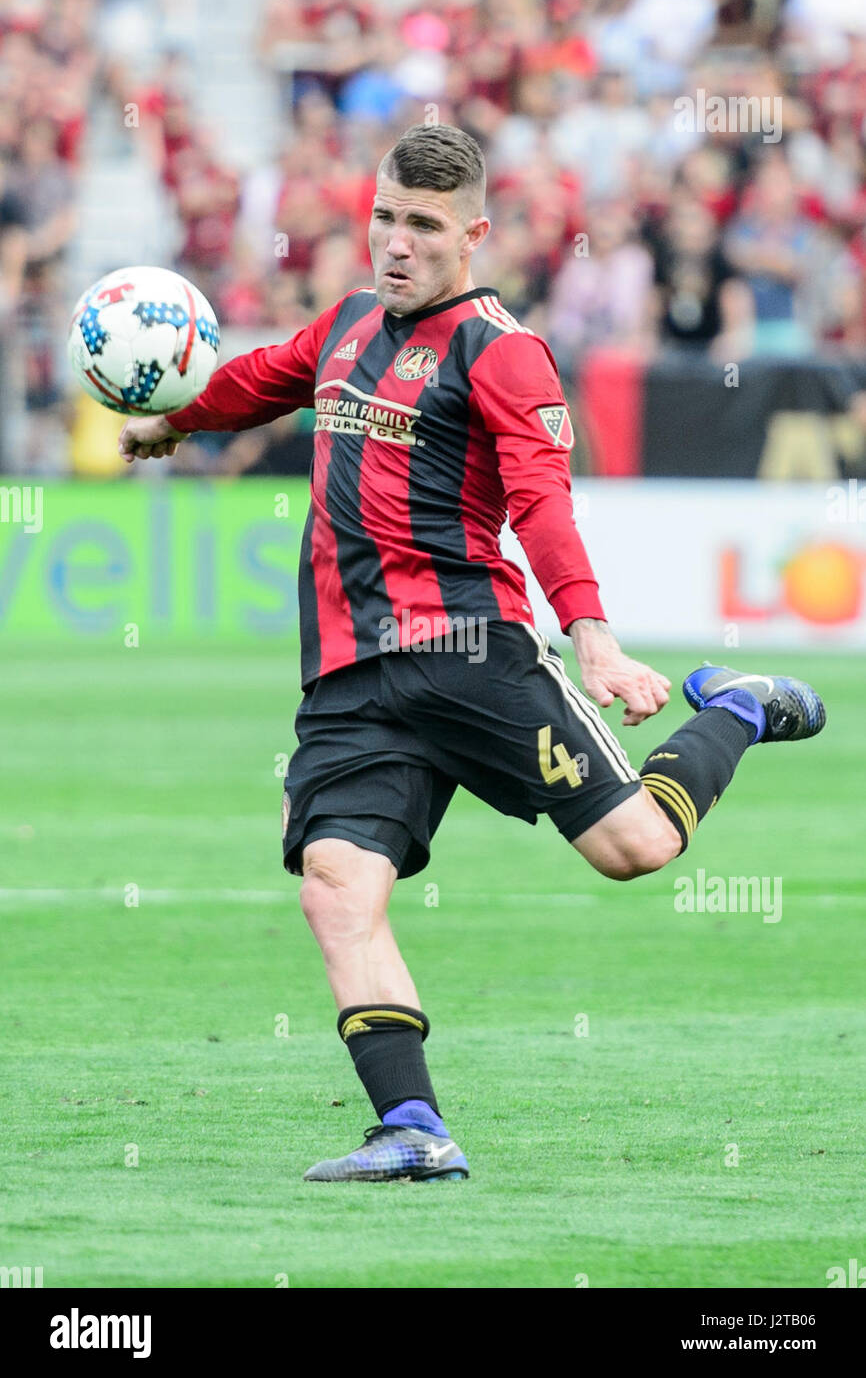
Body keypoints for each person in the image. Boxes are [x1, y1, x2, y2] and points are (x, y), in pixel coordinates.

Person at [118, 124, 826, 1184]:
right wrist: (177, 423)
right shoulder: (350, 325)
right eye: (385, 219)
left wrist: (592, 641)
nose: (395, 245)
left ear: (473, 234)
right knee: (334, 880)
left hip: (468, 653)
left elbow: (542, 505)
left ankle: (735, 707)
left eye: (423, 227)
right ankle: (412, 1126)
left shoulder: (503, 351)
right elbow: (264, 376)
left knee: (632, 848)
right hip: (351, 678)